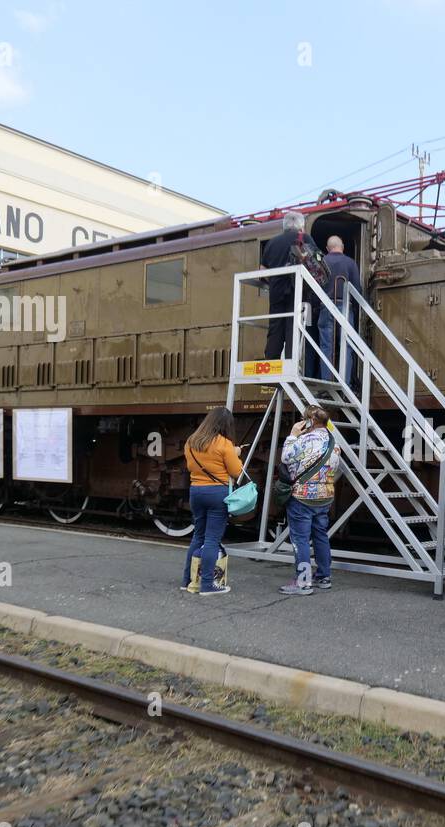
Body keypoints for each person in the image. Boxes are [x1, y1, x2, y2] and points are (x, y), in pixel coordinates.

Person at [182, 407, 245, 596]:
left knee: (198, 537)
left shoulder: (191, 442)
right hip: (217, 493)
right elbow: (236, 472)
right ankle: (208, 584)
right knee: (211, 540)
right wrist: (236, 454)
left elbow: (190, 466)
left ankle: (188, 580)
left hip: (196, 492)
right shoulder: (224, 444)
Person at [279, 407, 342, 596]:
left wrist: (292, 435)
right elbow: (336, 466)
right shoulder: (333, 441)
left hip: (302, 497)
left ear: (310, 422)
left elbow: (286, 457)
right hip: (325, 497)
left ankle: (303, 582)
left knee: (301, 540)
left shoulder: (304, 439)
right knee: (320, 535)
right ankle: (323, 577)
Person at [260, 211, 319, 362]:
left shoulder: (272, 242)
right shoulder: (305, 238)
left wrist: (274, 281)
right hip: (298, 292)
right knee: (294, 329)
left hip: (276, 292)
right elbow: (316, 264)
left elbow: (262, 270)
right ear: (301, 226)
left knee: (275, 329)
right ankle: (291, 364)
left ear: (284, 226)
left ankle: (271, 364)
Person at [312, 236, 363, 383]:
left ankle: (327, 381)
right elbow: (357, 289)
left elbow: (315, 287)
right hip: (345, 308)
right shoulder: (350, 263)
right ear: (343, 247)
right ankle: (345, 383)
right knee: (346, 346)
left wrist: (316, 306)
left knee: (326, 346)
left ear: (327, 249)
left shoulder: (322, 262)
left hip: (326, 306)